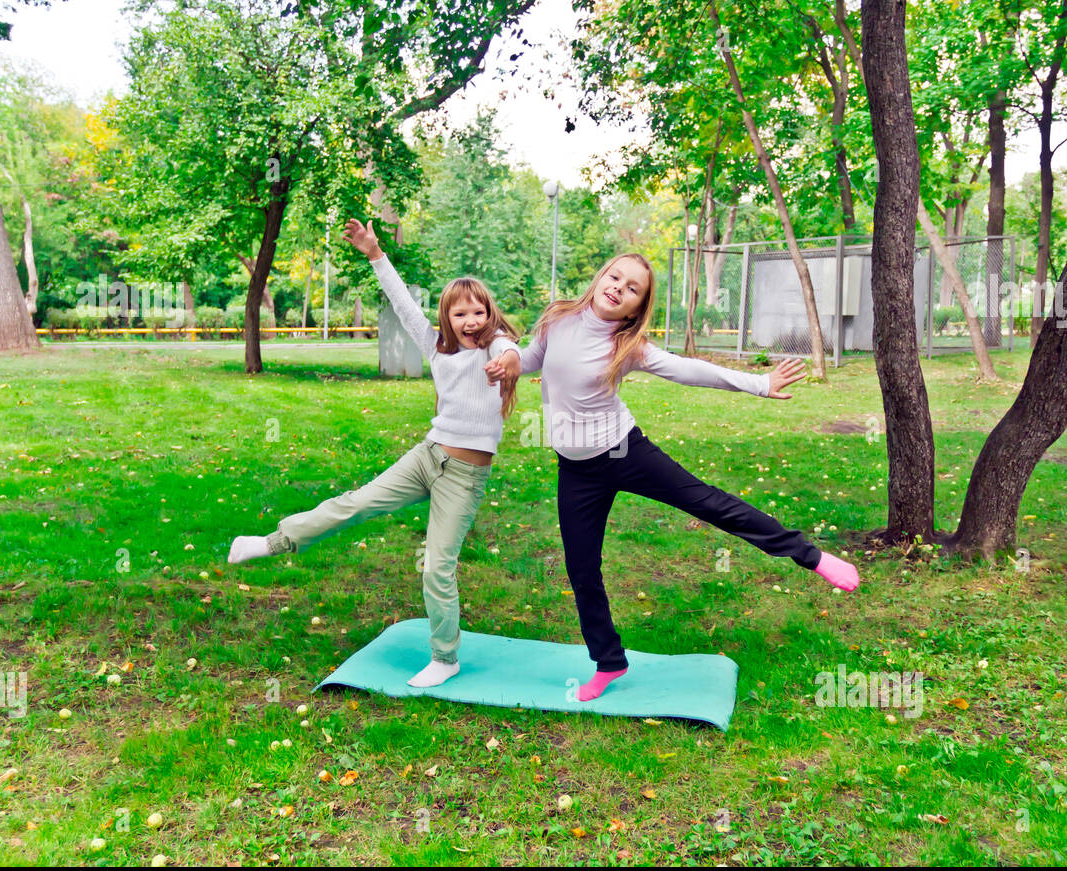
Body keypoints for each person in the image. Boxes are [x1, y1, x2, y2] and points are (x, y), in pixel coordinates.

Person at [485, 253, 859, 701]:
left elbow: (689, 370)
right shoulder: (558, 319)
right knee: (581, 567)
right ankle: (609, 662)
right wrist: (509, 365)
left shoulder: (629, 345)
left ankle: (810, 556)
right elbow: (532, 360)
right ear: (600, 275)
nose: (619, 287)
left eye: (633, 289)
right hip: (576, 469)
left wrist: (758, 384)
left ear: (635, 308)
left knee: (708, 502)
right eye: (615, 276)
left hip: (623, 451)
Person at [228, 220, 521, 688]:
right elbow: (404, 305)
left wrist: (505, 362)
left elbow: (512, 354)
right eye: (461, 314)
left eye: (479, 313)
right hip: (428, 456)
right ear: (448, 318)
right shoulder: (438, 348)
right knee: (355, 502)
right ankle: (274, 542)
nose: (471, 322)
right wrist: (373, 252)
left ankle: (445, 658)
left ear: (490, 315)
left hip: (464, 475)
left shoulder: (501, 347)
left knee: (439, 564)